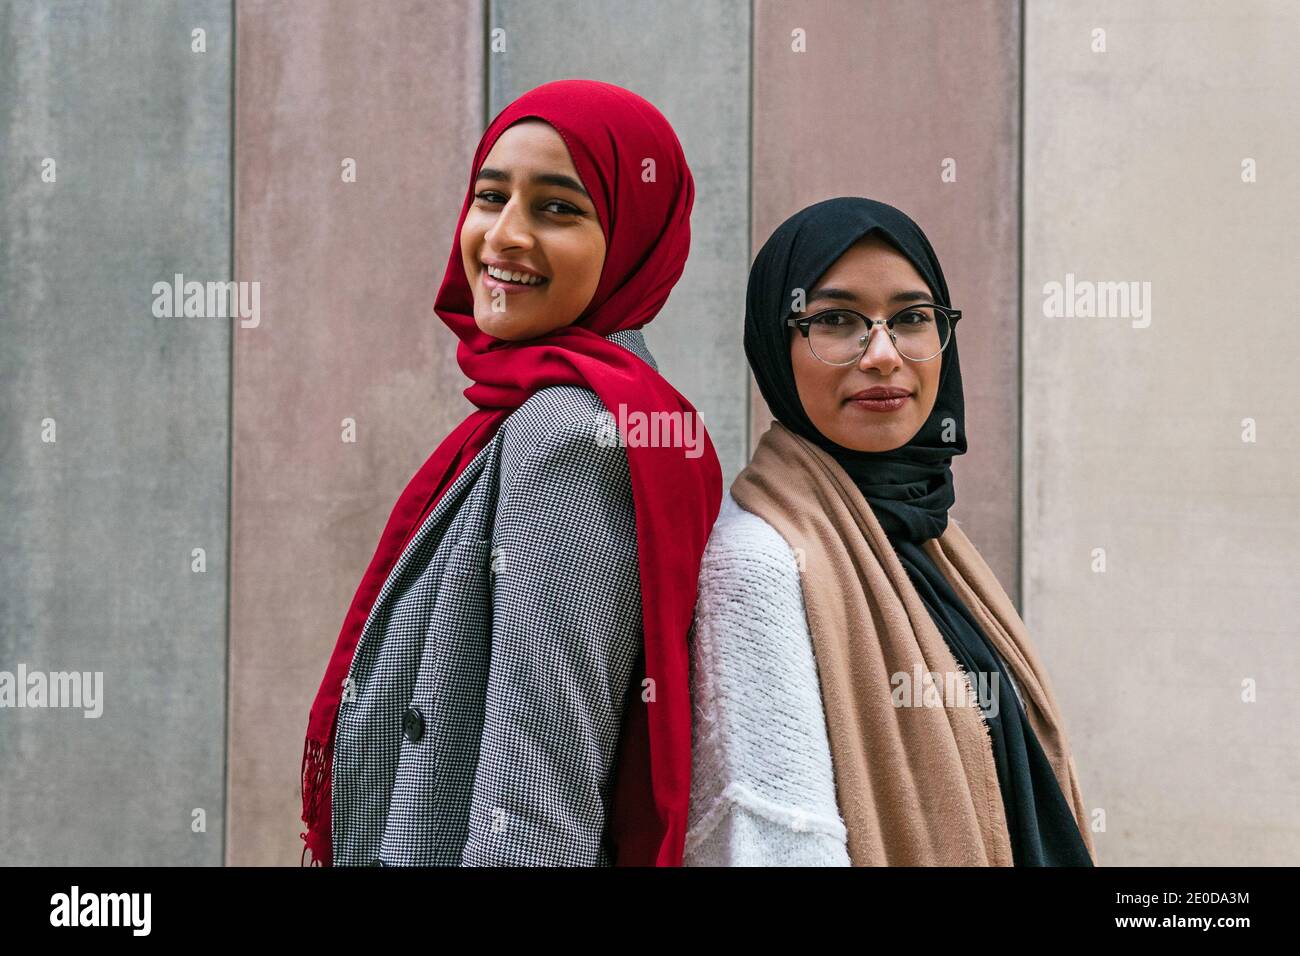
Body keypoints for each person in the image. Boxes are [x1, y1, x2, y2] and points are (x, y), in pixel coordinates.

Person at [300, 79, 722, 867]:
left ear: (634, 237)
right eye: (490, 197)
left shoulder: (566, 437)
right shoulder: (581, 410)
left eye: (558, 208)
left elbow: (537, 794)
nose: (504, 236)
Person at [685, 197, 1096, 866]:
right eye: (836, 321)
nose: (881, 354)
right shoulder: (757, 561)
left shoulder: (932, 541)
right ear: (773, 341)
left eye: (911, 319)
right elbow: (777, 843)